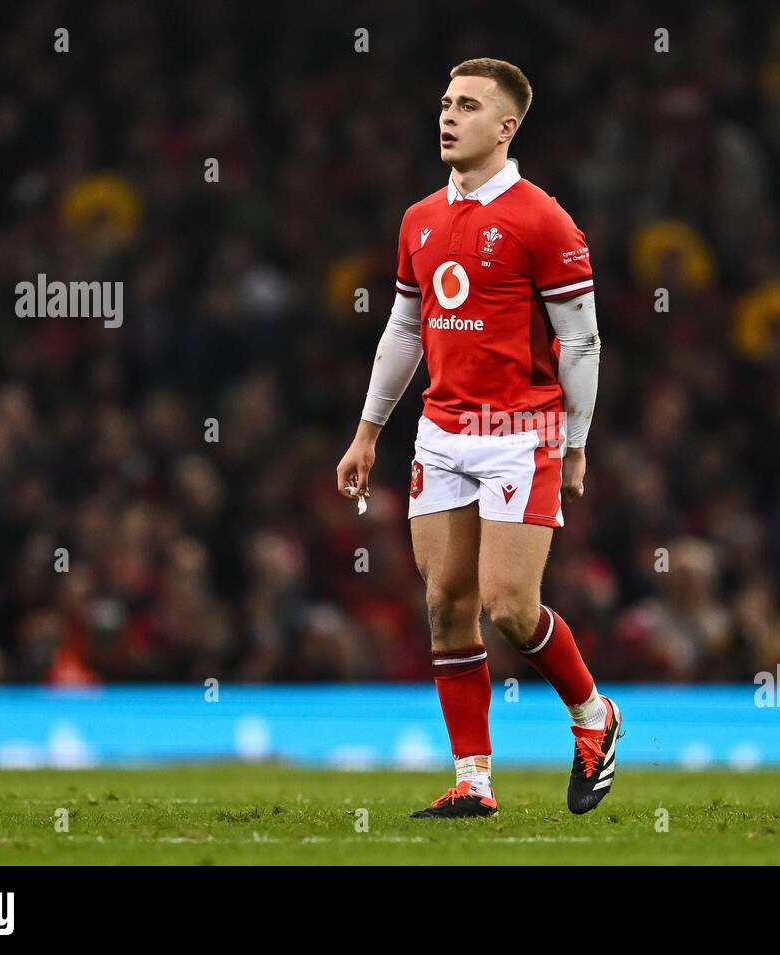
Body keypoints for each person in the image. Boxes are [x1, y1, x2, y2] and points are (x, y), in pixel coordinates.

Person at [336, 58, 619, 818]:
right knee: (445, 603)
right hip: (442, 431)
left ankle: (594, 715)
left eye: (467, 105)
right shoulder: (419, 218)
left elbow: (581, 340)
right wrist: (368, 433)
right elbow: (404, 327)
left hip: (521, 433)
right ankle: (474, 779)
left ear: (506, 126)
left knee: (509, 606)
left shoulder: (544, 220)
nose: (448, 115)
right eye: (444, 102)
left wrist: (579, 440)